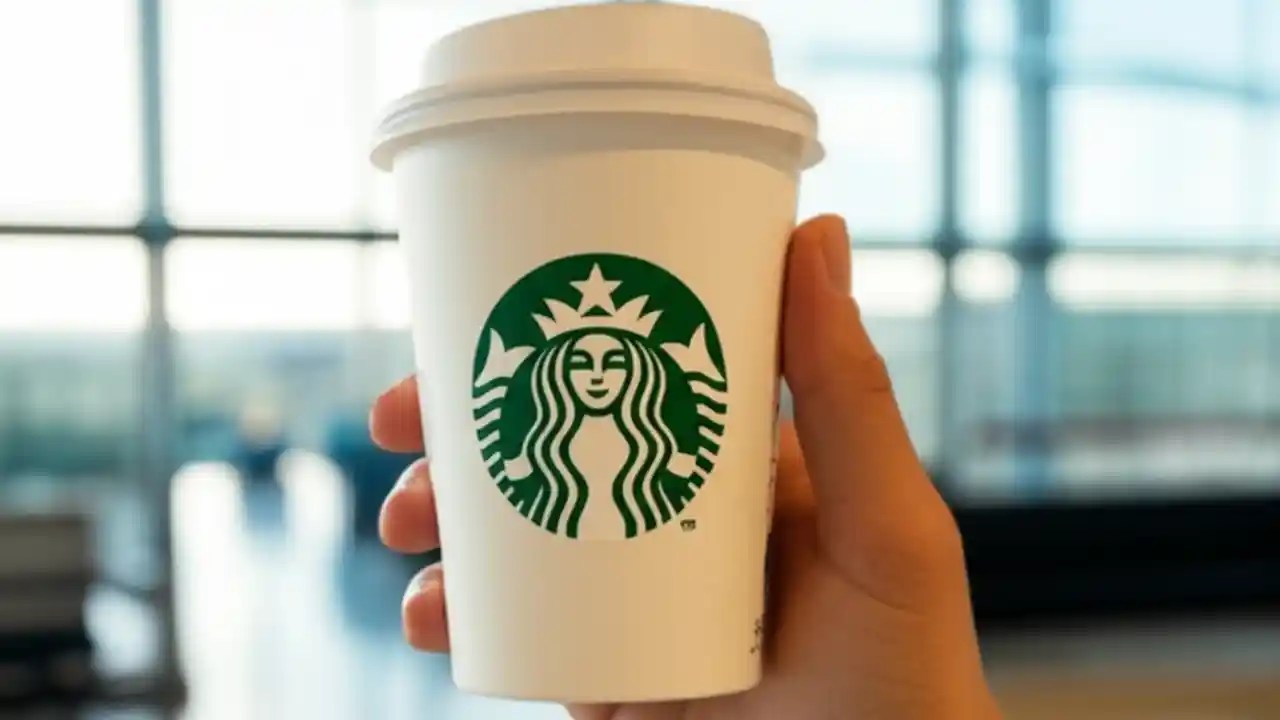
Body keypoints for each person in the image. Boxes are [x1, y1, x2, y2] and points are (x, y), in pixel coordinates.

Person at [369, 216, 1003, 719]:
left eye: (614, 363)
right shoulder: (545, 454)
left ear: (641, 372)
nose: (595, 377)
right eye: (578, 363)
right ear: (551, 372)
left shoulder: (655, 455)